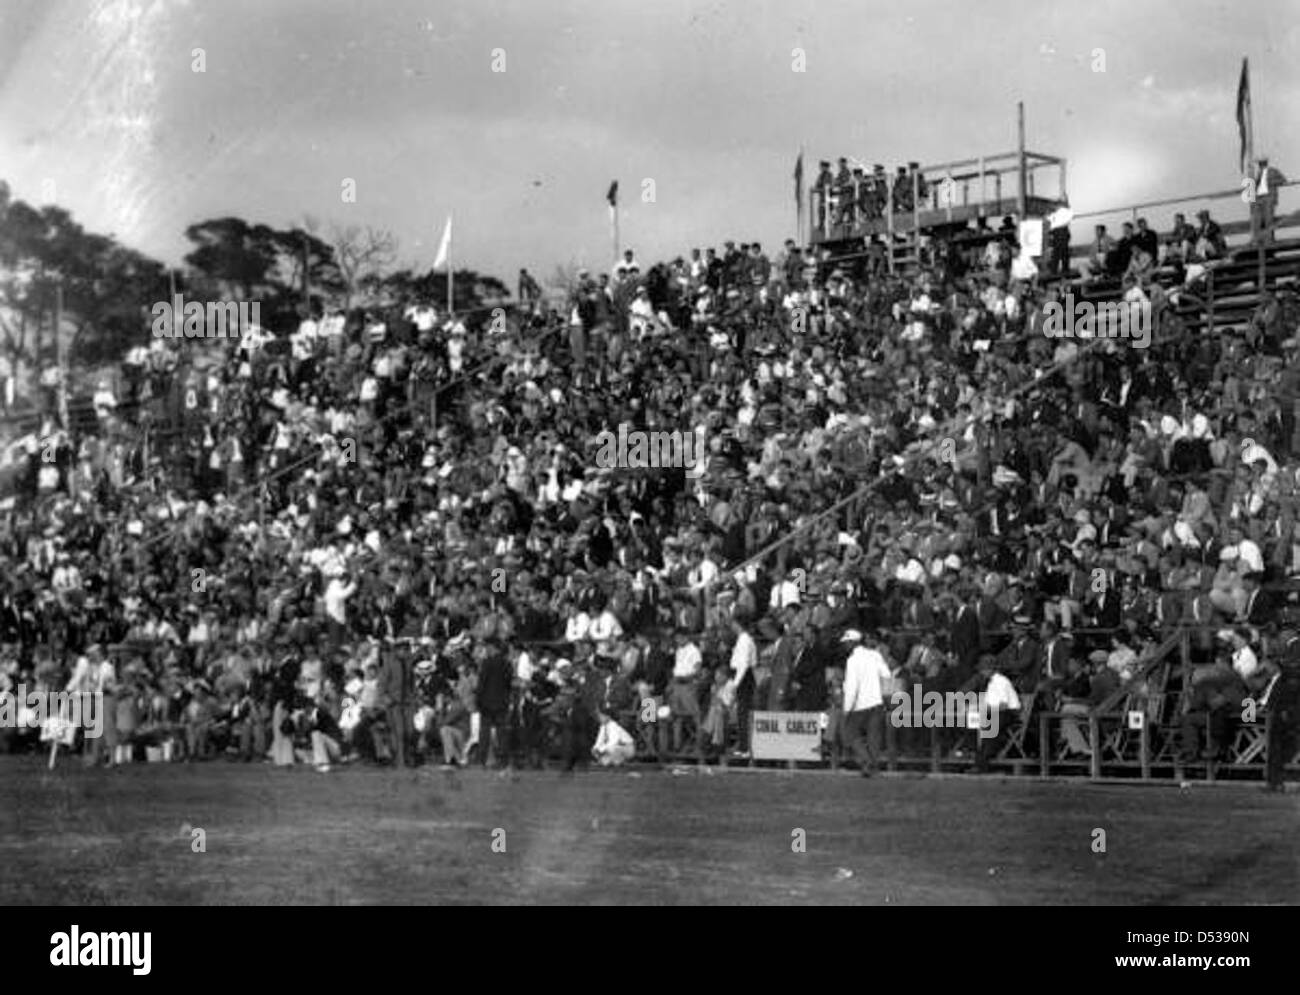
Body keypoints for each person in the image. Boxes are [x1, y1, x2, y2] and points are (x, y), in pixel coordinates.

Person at [840, 629, 893, 777]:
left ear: (852, 643)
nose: (844, 645)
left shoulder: (852, 661)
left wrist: (846, 708)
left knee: (849, 733)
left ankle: (867, 761)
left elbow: (852, 686)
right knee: (874, 736)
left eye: (846, 642)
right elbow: (887, 674)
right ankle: (873, 767)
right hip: (876, 701)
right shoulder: (875, 655)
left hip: (860, 703)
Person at [1265, 628, 1300, 791]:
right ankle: (1273, 780)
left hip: (1281, 706)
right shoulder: (1276, 672)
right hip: (1259, 702)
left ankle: (1274, 780)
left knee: (1276, 738)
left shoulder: (1292, 653)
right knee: (1248, 703)